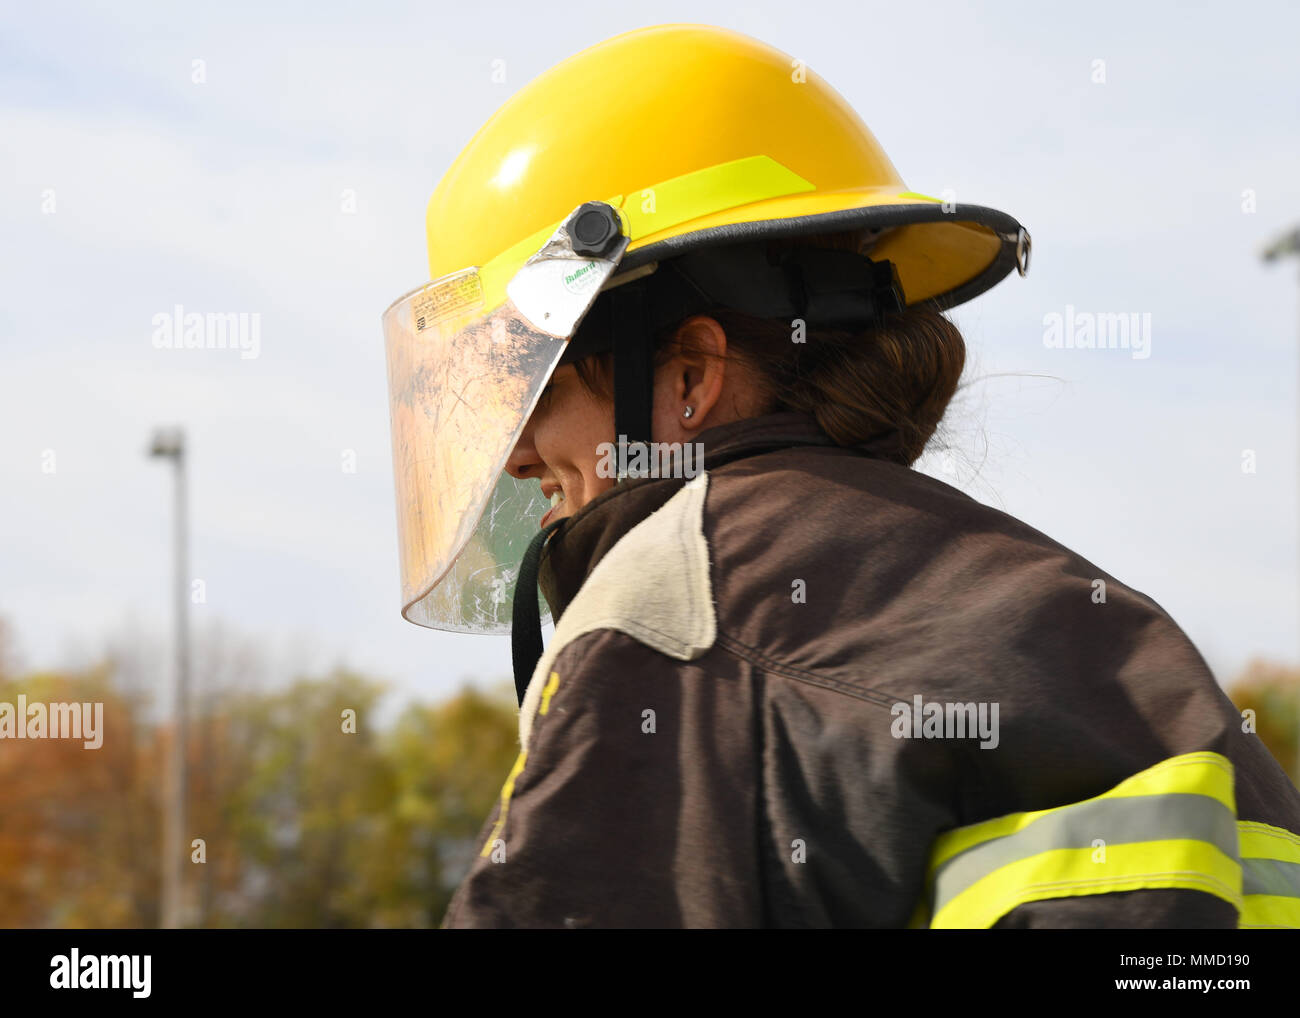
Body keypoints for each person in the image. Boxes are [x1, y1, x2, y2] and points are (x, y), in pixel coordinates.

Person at [381, 23, 1300, 928]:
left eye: (530, 386)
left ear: (690, 375)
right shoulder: (1109, 632)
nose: (513, 454)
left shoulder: (678, 618)